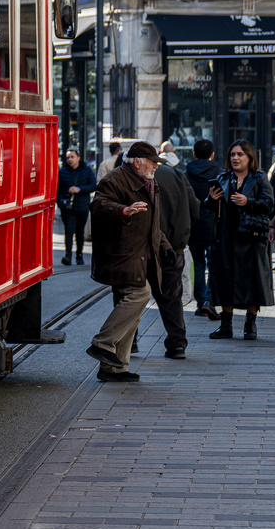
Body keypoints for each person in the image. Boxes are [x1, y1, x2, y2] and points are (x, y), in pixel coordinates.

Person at [85, 142, 176, 382]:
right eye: (152, 161)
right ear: (137, 161)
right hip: (122, 255)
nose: (156, 165)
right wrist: (123, 210)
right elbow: (98, 205)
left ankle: (115, 368)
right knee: (139, 295)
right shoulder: (115, 179)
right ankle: (102, 343)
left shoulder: (149, 181)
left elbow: (152, 223)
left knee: (134, 311)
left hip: (141, 256)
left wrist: (165, 246)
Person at [207, 140, 275, 340]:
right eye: (232, 155)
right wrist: (211, 199)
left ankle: (250, 324)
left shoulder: (260, 178)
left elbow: (269, 204)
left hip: (251, 237)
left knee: (252, 280)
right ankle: (225, 324)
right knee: (226, 279)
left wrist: (249, 202)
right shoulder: (223, 178)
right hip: (226, 237)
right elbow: (209, 206)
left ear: (249, 157)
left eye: (240, 154)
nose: (235, 158)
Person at [152, 153, 199, 359]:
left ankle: (130, 341)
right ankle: (177, 344)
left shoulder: (141, 176)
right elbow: (194, 208)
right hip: (176, 248)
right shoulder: (179, 175)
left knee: (134, 295)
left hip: (147, 249)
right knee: (172, 297)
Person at [184, 139, 223, 317]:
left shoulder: (185, 174)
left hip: (193, 225)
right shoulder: (219, 173)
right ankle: (208, 300)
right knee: (214, 264)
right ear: (212, 155)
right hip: (213, 224)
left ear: (194, 154)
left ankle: (200, 303)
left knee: (198, 265)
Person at [55, 148, 95, 266]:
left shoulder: (87, 170)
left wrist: (79, 189)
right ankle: (68, 256)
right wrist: (60, 203)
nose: (70, 160)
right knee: (69, 231)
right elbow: (57, 190)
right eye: (68, 158)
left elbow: (93, 186)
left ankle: (79, 256)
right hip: (68, 208)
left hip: (82, 207)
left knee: (79, 232)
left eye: (72, 157)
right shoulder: (62, 172)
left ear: (78, 158)